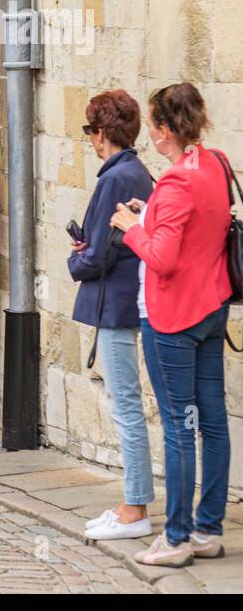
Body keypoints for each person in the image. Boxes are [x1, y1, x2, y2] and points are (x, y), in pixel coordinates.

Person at [111, 83, 234, 568]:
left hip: (175, 316)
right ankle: (207, 530)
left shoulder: (177, 180)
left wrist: (130, 227)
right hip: (211, 307)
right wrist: (152, 211)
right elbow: (197, 224)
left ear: (164, 130)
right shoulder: (214, 163)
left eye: (155, 129)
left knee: (181, 429)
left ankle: (177, 536)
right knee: (213, 422)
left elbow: (161, 258)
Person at [66, 90, 155, 541]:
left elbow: (97, 254)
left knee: (125, 407)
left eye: (90, 131)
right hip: (126, 298)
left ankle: (134, 508)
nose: (91, 141)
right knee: (126, 405)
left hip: (117, 302)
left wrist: (74, 260)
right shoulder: (136, 173)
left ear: (103, 132)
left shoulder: (115, 178)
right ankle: (130, 503)